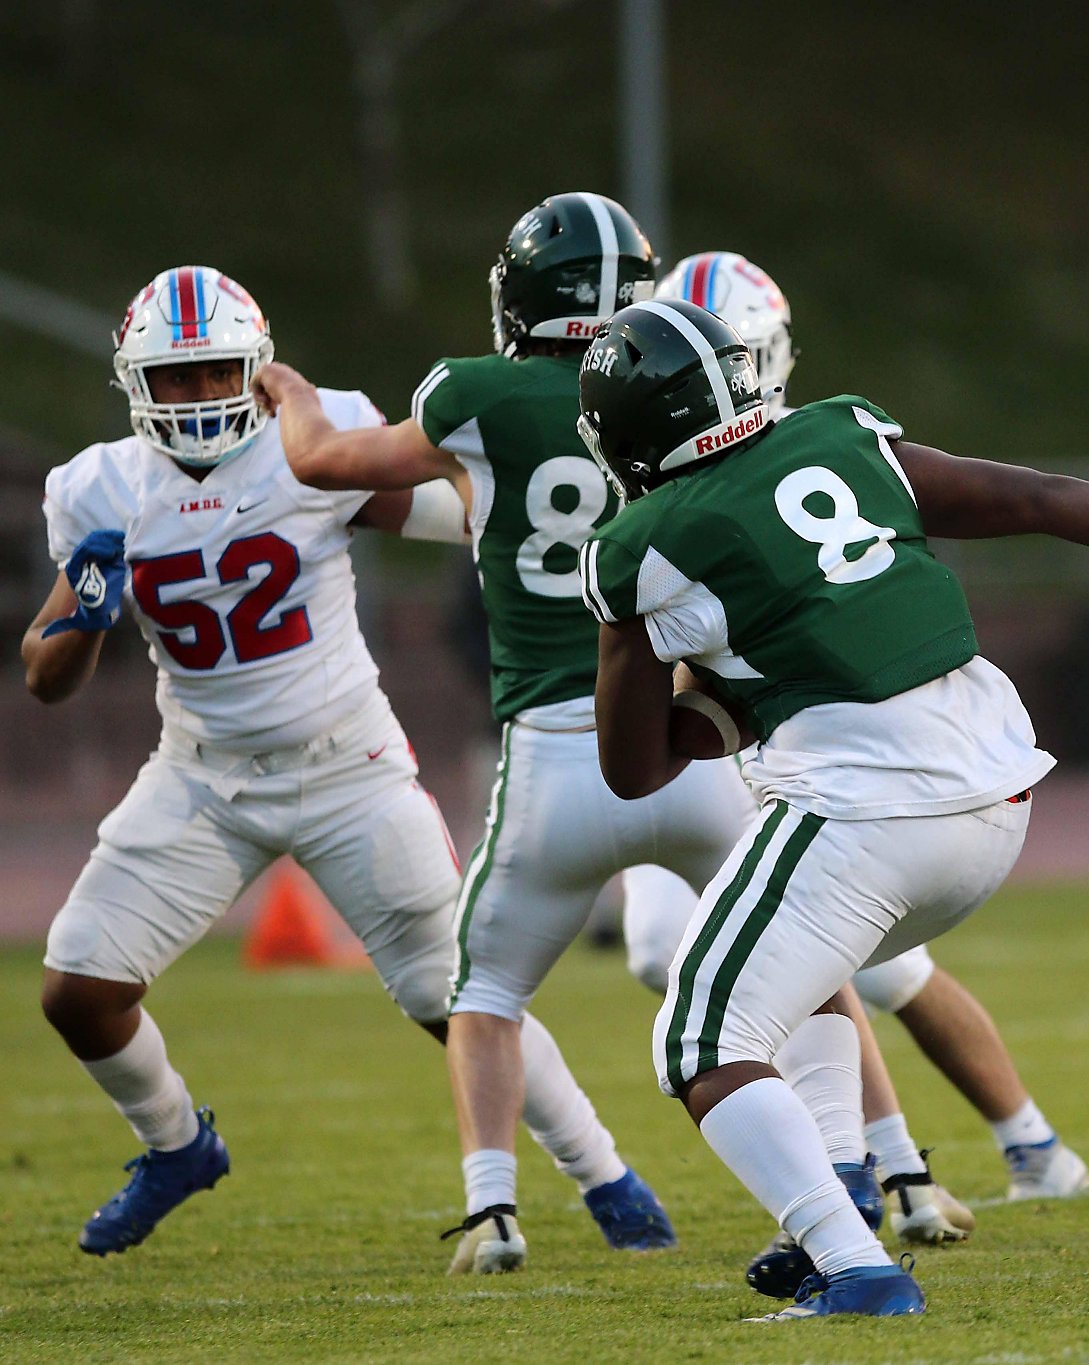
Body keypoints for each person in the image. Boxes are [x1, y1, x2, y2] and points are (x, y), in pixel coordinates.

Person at [574, 297, 1089, 1319]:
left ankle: (851, 1264)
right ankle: (847, 1169)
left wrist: (681, 677)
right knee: (795, 985)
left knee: (699, 1041)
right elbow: (1031, 494)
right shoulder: (839, 434)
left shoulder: (641, 542)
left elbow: (631, 769)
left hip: (864, 817)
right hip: (995, 799)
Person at [25, 266, 651, 1263]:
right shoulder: (97, 488)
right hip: (201, 774)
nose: (192, 396)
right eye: (173, 378)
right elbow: (46, 678)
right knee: (78, 990)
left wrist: (559, 517)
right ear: (135, 381)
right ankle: (177, 1144)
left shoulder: (308, 446)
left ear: (257, 367)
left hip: (345, 765)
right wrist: (85, 612)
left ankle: (606, 1176)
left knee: (456, 1000)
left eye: (212, 372)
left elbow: (469, 514)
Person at [253, 193, 716, 1272]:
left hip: (555, 747)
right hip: (690, 735)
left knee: (484, 993)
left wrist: (291, 393)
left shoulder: (477, 393)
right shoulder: (673, 390)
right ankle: (871, 1169)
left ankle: (494, 1208)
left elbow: (323, 464)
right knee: (805, 972)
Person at [632, 251, 1089, 1213]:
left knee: (839, 968)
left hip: (844, 761)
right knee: (728, 959)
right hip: (808, 744)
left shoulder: (811, 446)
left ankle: (966, 1151)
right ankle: (888, 1168)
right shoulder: (689, 490)